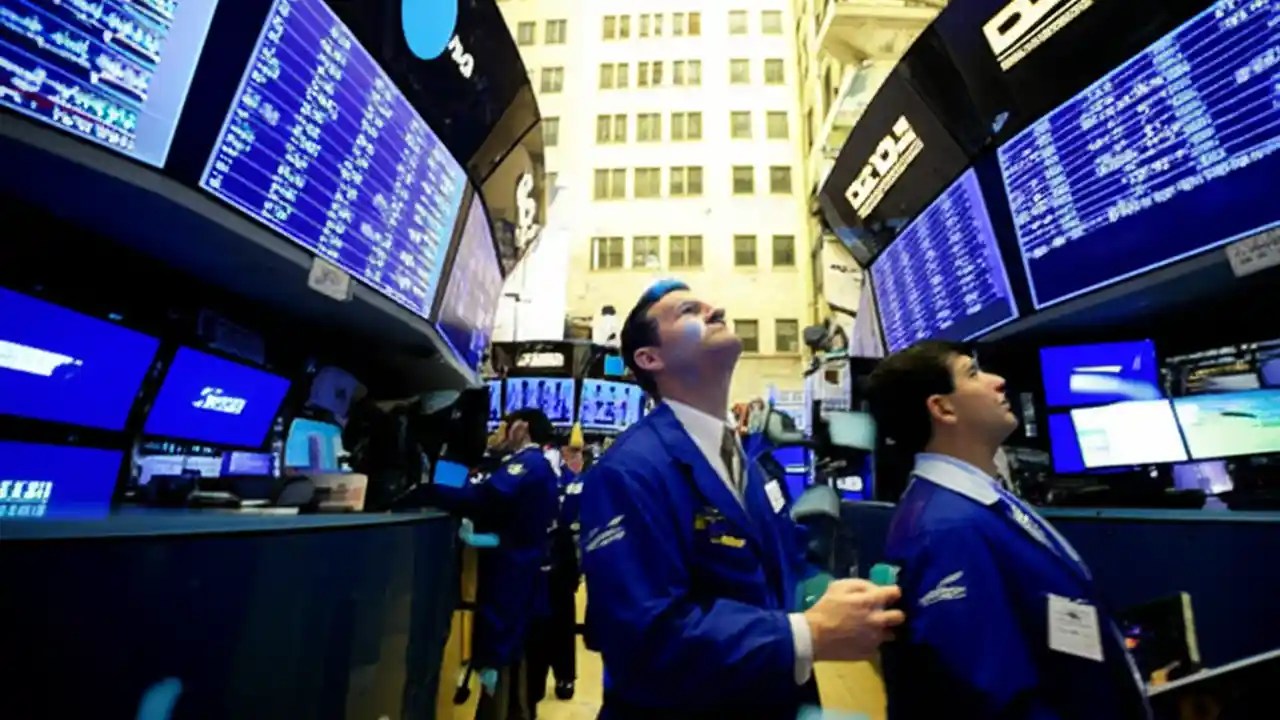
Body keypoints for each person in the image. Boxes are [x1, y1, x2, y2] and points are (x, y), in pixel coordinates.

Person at [578, 280, 905, 719]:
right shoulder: (628, 471)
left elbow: (784, 563)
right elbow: (643, 641)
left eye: (712, 306)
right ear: (649, 358)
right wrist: (805, 635)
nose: (717, 311)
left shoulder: (745, 460)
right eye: (689, 311)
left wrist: (834, 595)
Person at [866, 341, 1150, 720]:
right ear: (942, 407)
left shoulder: (975, 500)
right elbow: (989, 697)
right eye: (972, 373)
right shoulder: (949, 529)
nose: (998, 381)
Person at [431, 408, 561, 720]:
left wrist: (435, 486)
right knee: (508, 652)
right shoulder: (529, 464)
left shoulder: (527, 464)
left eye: (509, 425)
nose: (504, 431)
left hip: (514, 571)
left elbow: (487, 497)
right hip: (516, 566)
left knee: (502, 652)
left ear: (523, 427)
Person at [526, 436, 587, 710]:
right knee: (541, 625)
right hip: (541, 560)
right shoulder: (547, 478)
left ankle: (564, 677)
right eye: (572, 452)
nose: (577, 458)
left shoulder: (580, 482)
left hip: (563, 563)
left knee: (562, 623)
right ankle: (538, 681)